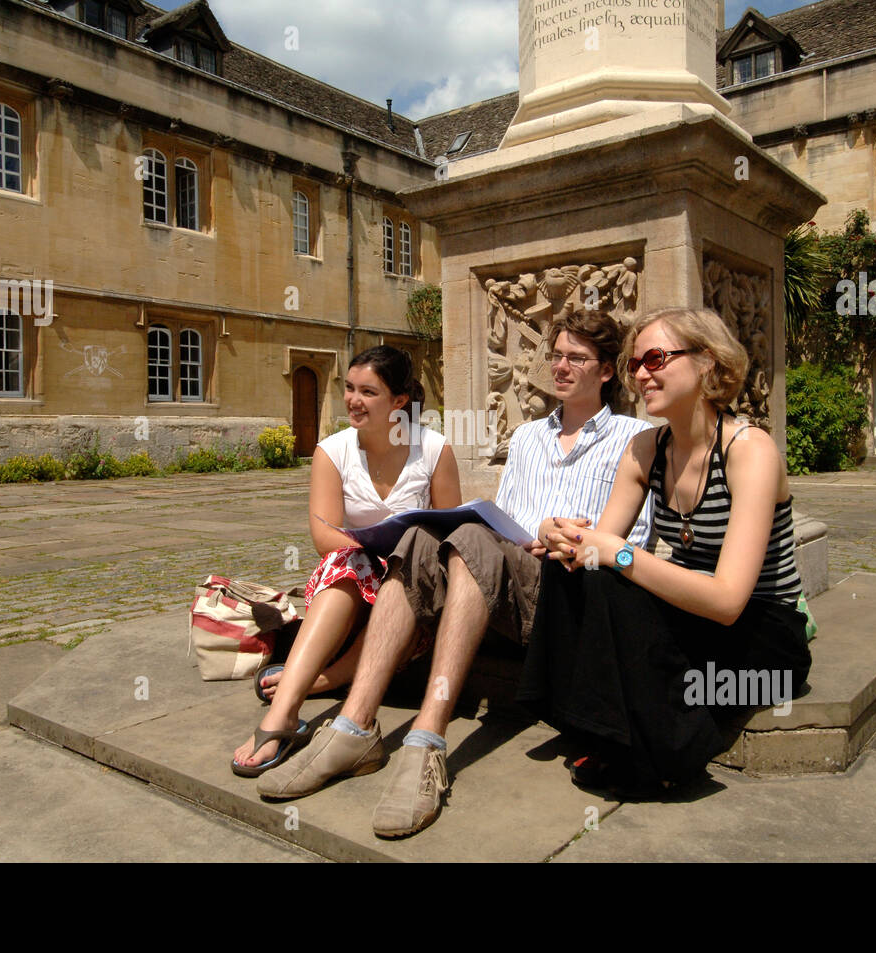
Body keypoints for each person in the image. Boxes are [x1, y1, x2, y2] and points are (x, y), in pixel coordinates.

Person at [257, 307, 652, 837]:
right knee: (422, 536)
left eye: (575, 358)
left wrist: (572, 539)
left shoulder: (636, 437)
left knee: (469, 543)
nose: (559, 366)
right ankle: (355, 726)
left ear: (606, 370)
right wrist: (527, 530)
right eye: (555, 354)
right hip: (512, 575)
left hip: (570, 589)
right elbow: (505, 520)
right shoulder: (530, 437)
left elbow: (634, 543)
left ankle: (426, 741)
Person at [516, 307, 813, 795]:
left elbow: (726, 601)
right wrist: (559, 535)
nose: (639, 375)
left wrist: (621, 555)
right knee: (579, 572)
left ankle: (664, 754)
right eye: (634, 364)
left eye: (654, 358)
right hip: (693, 620)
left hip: (763, 633)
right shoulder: (646, 449)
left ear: (707, 362)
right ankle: (581, 718)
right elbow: (596, 552)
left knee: (618, 571)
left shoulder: (749, 450)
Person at [230, 346, 461, 776]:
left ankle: (325, 679)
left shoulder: (432, 449)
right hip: (353, 572)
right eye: (350, 388)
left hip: (412, 579)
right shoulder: (332, 452)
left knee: (405, 574)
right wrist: (371, 551)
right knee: (347, 564)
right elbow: (324, 535)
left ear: (398, 401)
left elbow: (452, 531)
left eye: (368, 391)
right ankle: (282, 715)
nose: (353, 399)